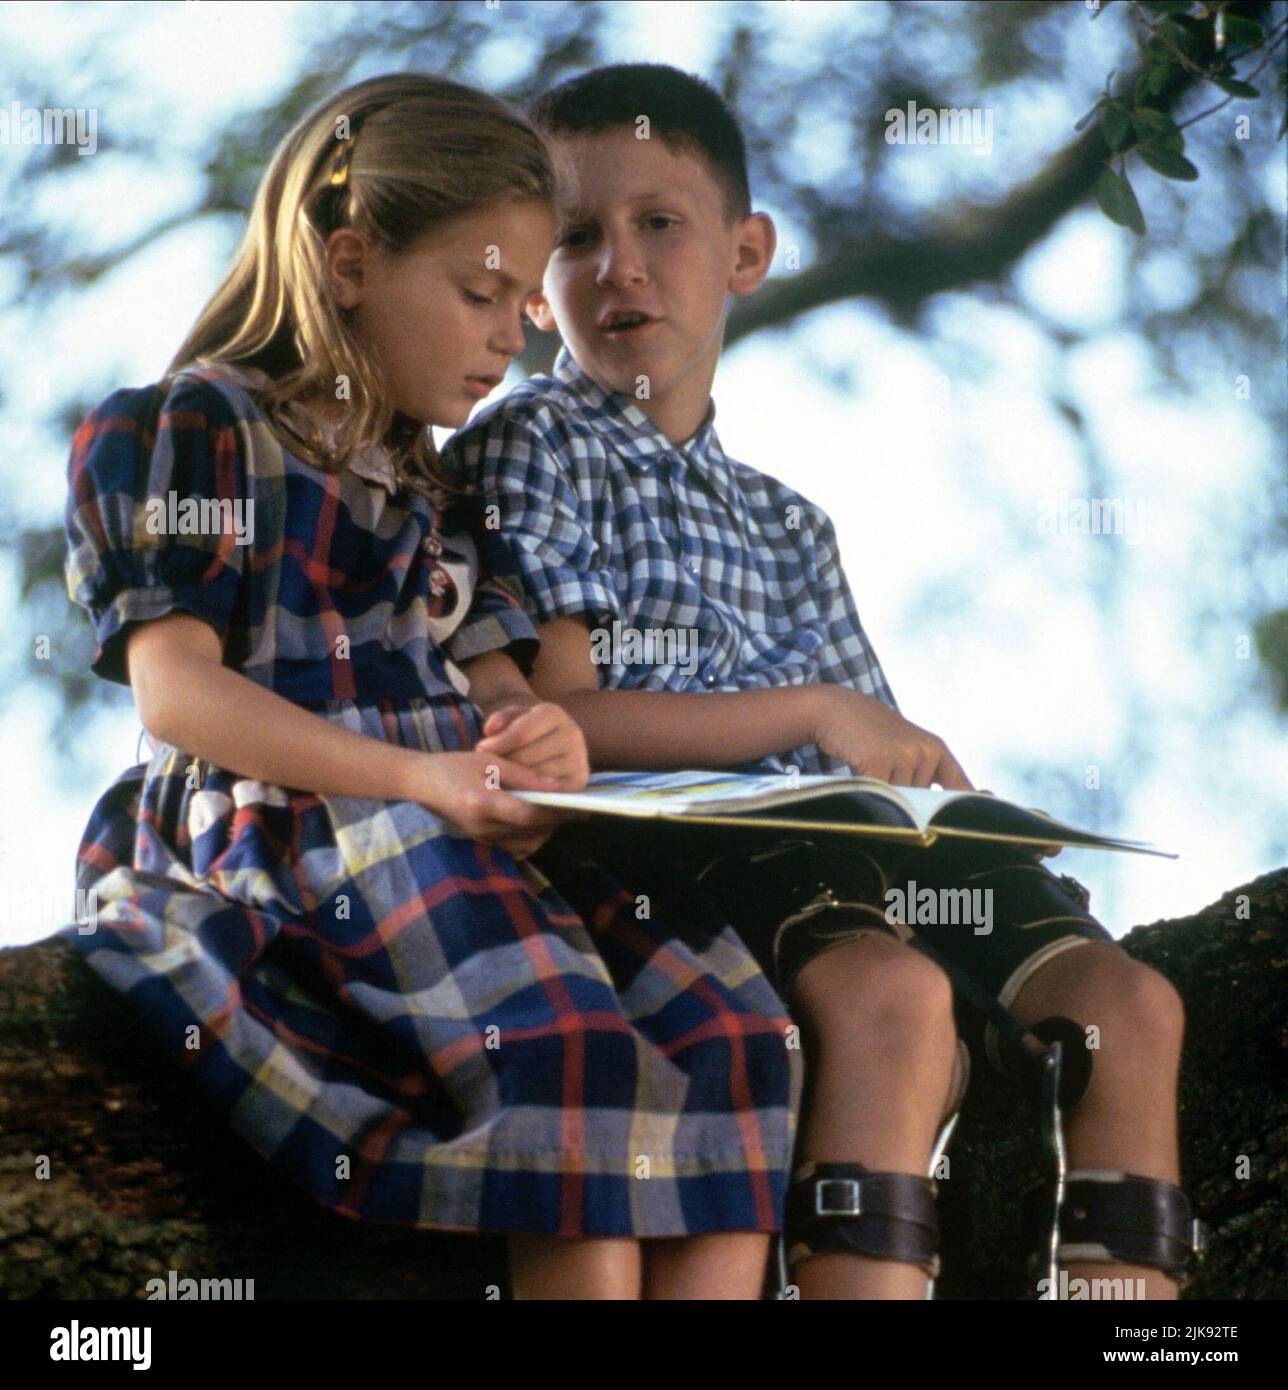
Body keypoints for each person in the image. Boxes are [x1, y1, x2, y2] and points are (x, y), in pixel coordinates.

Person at [443, 63, 1202, 1300]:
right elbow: (557, 723)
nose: (619, 266)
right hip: (687, 847)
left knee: (1130, 1002)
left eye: (659, 224)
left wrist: (962, 817)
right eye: (577, 238)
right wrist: (804, 715)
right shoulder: (534, 443)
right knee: (892, 996)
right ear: (534, 285)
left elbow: (878, 750)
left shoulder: (790, 521)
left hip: (842, 841)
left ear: (745, 253)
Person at [60, 71, 802, 1302]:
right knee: (566, 1051)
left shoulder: (439, 493)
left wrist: (543, 744)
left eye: (521, 302)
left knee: (733, 1025)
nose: (514, 337)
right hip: (291, 812)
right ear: (349, 263)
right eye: (479, 294)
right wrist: (421, 775)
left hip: (453, 813)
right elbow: (177, 697)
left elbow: (505, 697)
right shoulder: (193, 429)